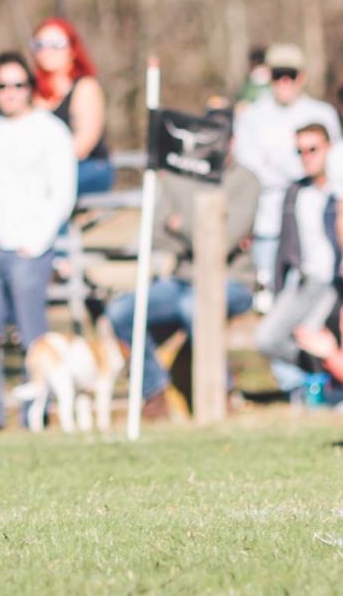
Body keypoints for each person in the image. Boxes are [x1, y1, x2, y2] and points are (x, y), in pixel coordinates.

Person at [104, 122, 259, 419]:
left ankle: (220, 393)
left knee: (195, 308)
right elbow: (158, 233)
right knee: (122, 311)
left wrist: (183, 225)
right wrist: (199, 230)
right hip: (182, 280)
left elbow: (221, 244)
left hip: (232, 282)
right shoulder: (182, 177)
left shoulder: (247, 181)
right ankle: (154, 393)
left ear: (233, 141)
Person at [0, 52, 76, 431]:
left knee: (32, 336)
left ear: (29, 87)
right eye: (1, 85)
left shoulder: (51, 130)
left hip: (30, 248)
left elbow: (62, 194)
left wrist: (37, 241)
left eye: (17, 85)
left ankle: (33, 416)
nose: (9, 92)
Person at [232, 43, 341, 299]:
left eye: (290, 74)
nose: (284, 81)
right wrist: (299, 169)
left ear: (301, 77)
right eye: (277, 74)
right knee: (273, 298)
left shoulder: (322, 114)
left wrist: (277, 164)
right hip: (268, 223)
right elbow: (252, 169)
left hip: (316, 224)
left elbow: (333, 167)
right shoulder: (252, 117)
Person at [256, 123, 341, 398]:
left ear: (329, 149)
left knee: (312, 334)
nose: (306, 156)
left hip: (334, 283)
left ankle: (326, 386)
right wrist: (278, 289)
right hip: (306, 282)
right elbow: (285, 248)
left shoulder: (337, 195)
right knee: (267, 338)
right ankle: (322, 376)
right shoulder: (295, 193)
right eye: (300, 151)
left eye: (313, 149)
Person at [30, 17, 113, 195]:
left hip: (88, 167)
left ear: (72, 49)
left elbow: (83, 145)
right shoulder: (28, 90)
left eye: (56, 44)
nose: (47, 50)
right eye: (39, 44)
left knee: (44, 188)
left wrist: (43, 165)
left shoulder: (85, 87)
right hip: (39, 172)